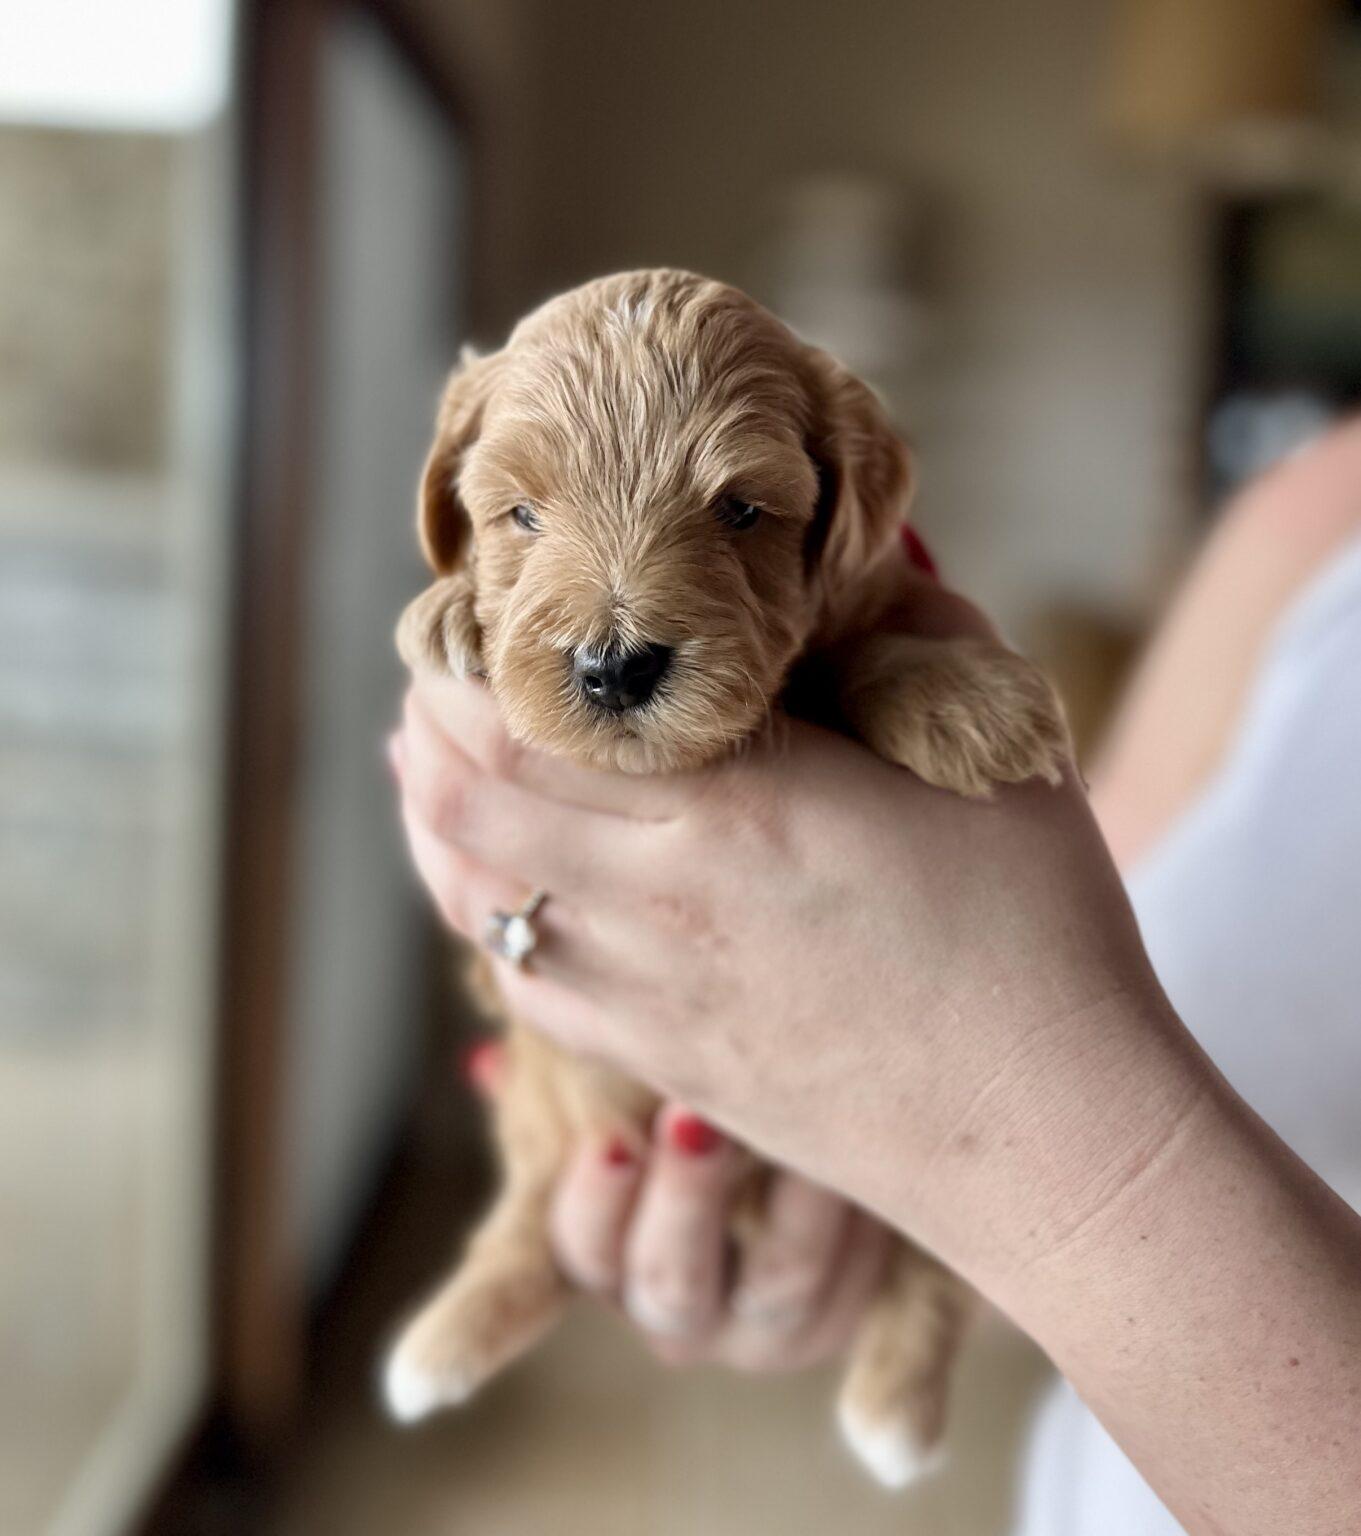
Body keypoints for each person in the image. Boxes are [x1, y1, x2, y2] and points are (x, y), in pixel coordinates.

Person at [388, 420, 1361, 1536]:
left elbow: (1066, 1112)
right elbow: (1119, 1044)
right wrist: (851, 1201)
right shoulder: (1311, 519)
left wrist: (1027, 1149)